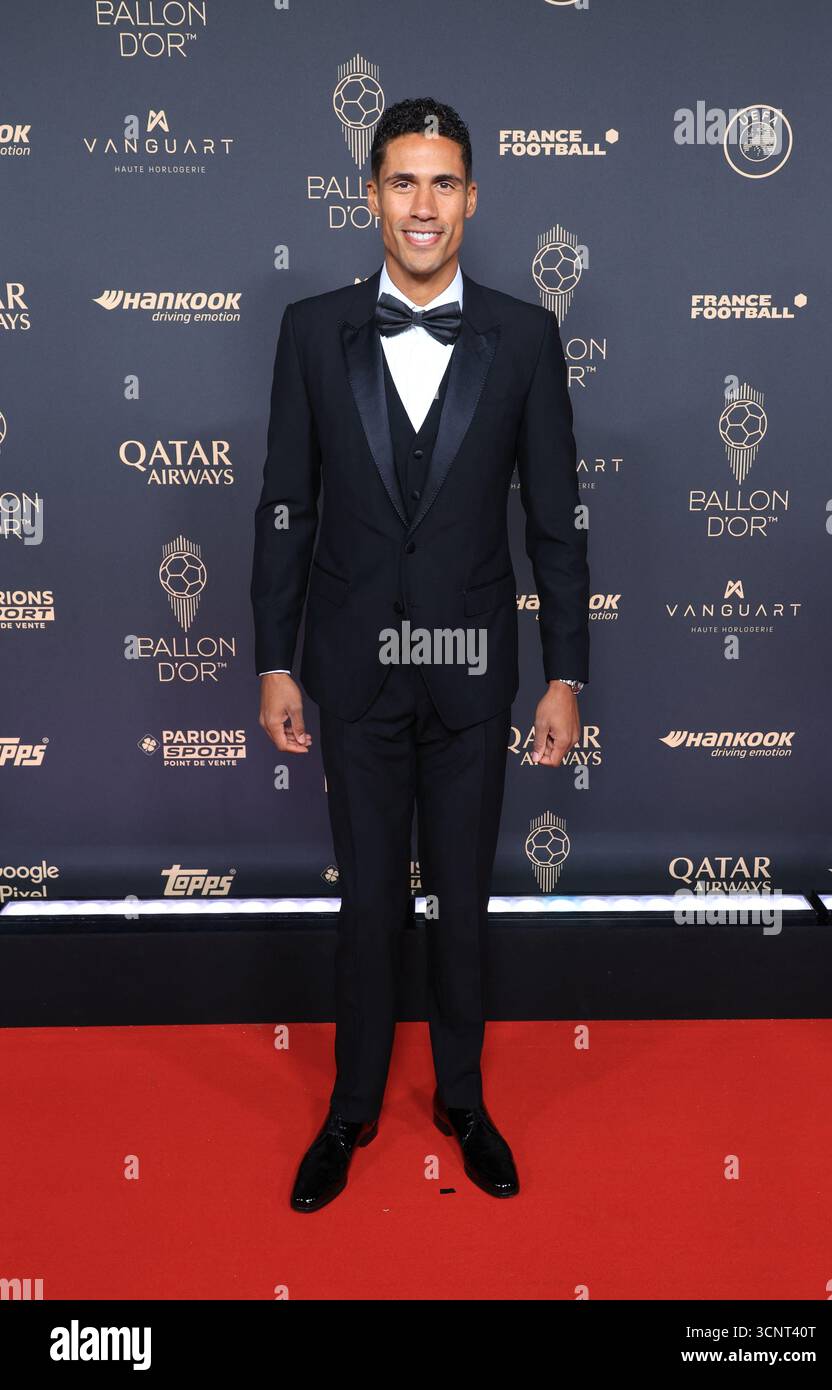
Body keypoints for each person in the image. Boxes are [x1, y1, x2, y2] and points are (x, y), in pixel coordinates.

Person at [251, 97, 589, 1212]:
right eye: (403, 182)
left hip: (471, 669)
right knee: (365, 909)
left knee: (459, 895)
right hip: (347, 669)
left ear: (473, 197)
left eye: (443, 183)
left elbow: (554, 521)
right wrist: (273, 660)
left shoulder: (525, 336)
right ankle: (350, 1109)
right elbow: (283, 506)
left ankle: (462, 1098)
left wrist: (564, 673)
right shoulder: (310, 330)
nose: (423, 206)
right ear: (370, 196)